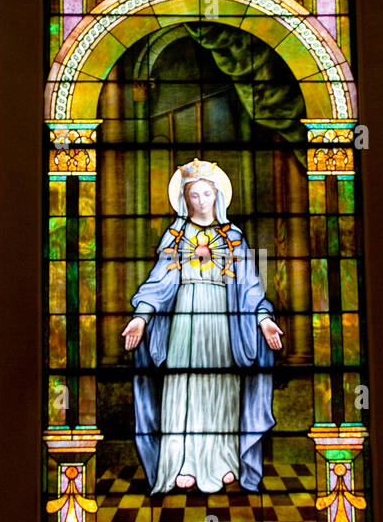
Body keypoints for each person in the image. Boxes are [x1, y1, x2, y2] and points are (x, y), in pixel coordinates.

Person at [122, 158, 284, 494]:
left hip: (220, 320)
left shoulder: (233, 237)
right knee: (184, 386)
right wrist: (141, 316)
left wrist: (264, 319)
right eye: (194, 195)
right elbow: (159, 282)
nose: (201, 201)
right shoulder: (175, 236)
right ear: (184, 198)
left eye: (207, 193)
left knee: (220, 388)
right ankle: (181, 462)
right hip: (184, 317)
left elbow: (250, 285)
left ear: (218, 196)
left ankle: (223, 460)